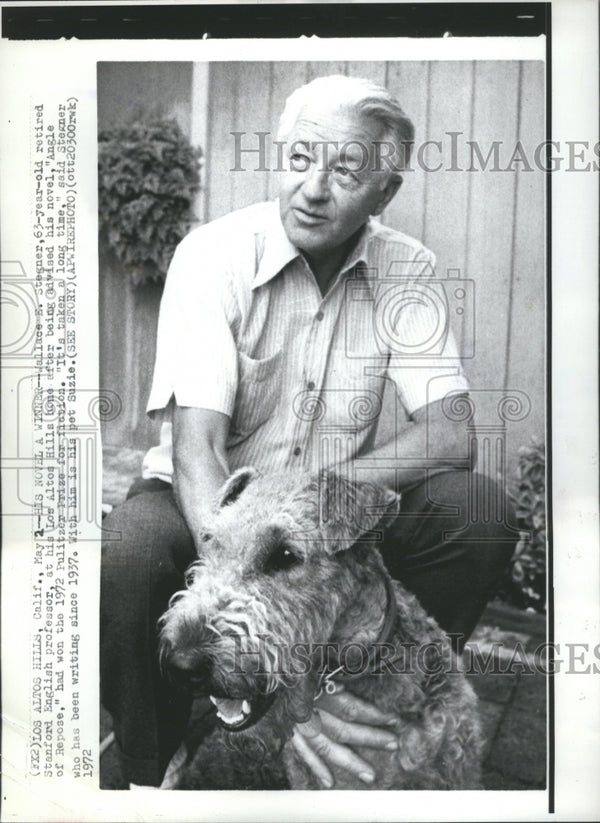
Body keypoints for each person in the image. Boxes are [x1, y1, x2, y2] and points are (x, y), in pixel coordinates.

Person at [101, 74, 518, 788]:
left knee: (473, 512)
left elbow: (451, 434)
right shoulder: (212, 255)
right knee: (134, 550)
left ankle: (371, 697)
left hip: (328, 511)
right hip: (206, 499)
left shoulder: (407, 271)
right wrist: (241, 559)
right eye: (298, 159)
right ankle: (148, 764)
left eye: (345, 169)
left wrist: (319, 503)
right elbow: (198, 447)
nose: (312, 188)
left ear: (383, 193)